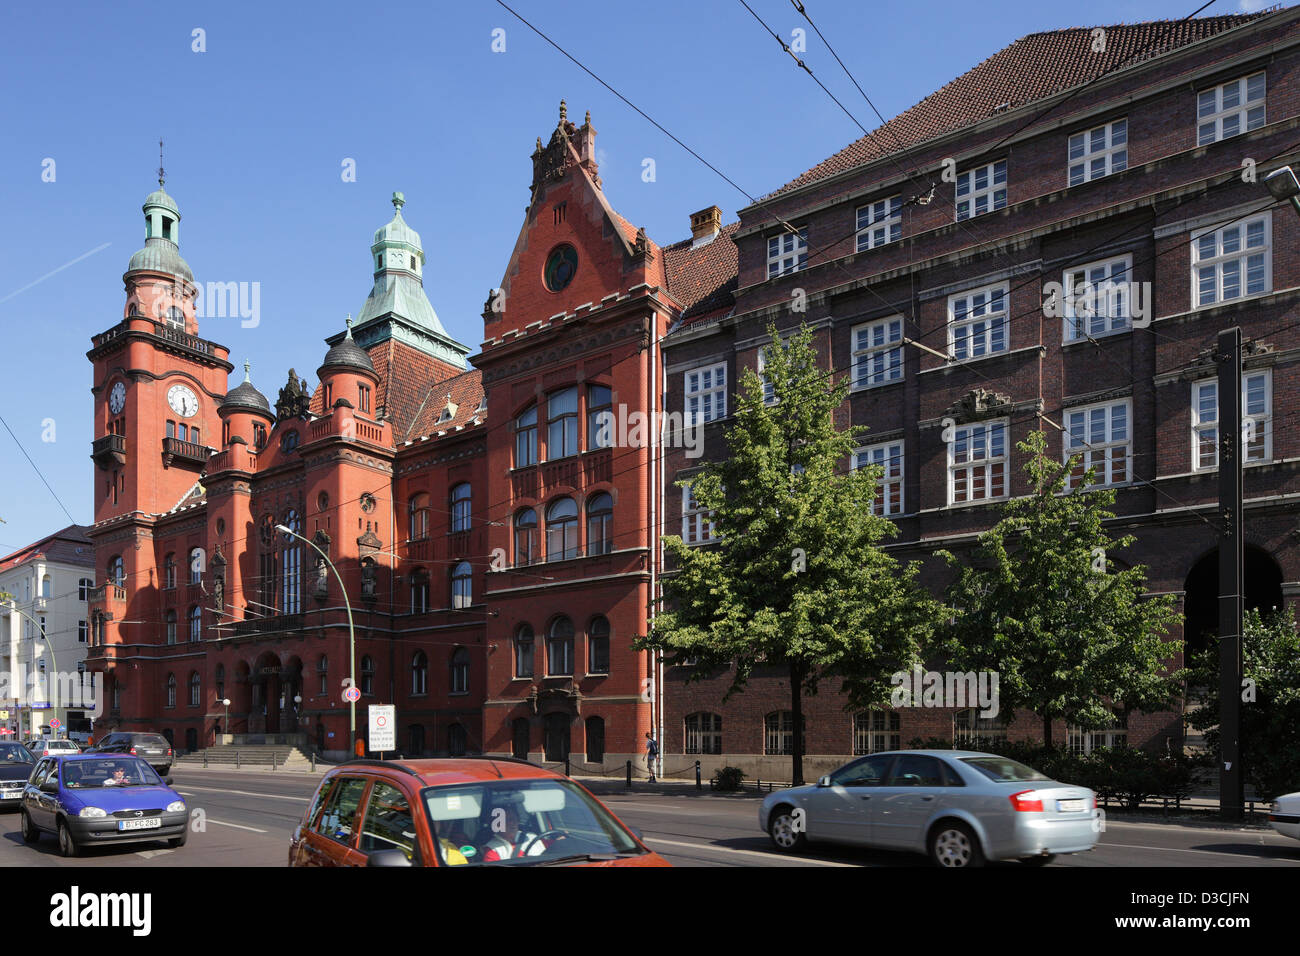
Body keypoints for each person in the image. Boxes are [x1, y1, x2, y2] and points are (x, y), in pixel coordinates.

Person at [480, 804, 548, 862]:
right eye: (506, 820)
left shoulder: (531, 837)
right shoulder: (492, 849)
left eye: (513, 818)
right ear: (497, 824)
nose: (512, 823)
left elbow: (554, 847)